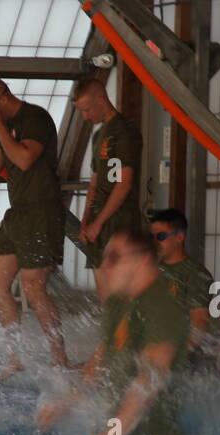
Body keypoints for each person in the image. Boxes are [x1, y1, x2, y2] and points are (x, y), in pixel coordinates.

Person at [37, 229, 190, 435]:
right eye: (104, 257)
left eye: (115, 258)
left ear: (143, 260)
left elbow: (151, 378)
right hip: (120, 432)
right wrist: (68, 401)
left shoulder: (161, 305)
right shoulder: (118, 302)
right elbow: (99, 361)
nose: (104, 266)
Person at [0, 76, 66, 376]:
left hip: (42, 210)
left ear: (1, 99)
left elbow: (25, 159)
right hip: (17, 213)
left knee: (33, 288)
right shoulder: (2, 130)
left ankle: (59, 359)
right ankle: (18, 356)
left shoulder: (35, 117)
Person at [73, 78, 144, 297]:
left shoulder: (124, 132)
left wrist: (98, 222)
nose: (86, 117)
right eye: (81, 112)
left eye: (87, 110)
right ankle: (110, 331)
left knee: (119, 294)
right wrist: (86, 220)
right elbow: (94, 182)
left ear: (101, 100)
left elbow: (124, 184)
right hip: (99, 222)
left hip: (119, 221)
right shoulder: (98, 136)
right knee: (105, 295)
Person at [149, 208, 212, 353]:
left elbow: (199, 322)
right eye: (151, 236)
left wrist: (175, 357)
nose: (154, 242)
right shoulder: (151, 269)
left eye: (161, 236)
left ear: (180, 237)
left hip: (179, 354)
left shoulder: (196, 274)